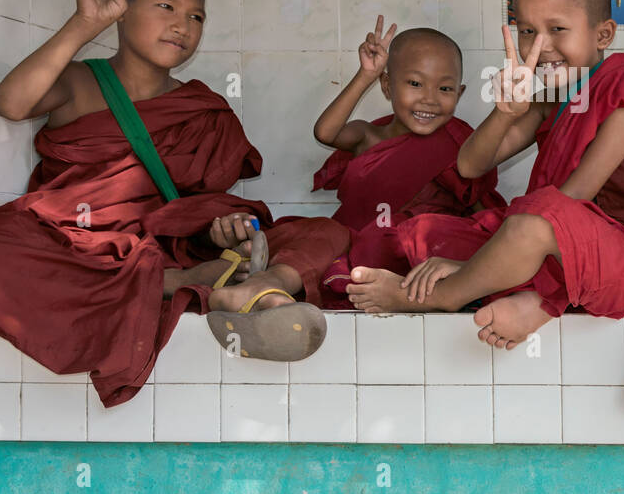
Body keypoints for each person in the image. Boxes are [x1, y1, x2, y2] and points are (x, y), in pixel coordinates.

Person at [0, 0, 314, 406]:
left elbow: (198, 202)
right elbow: (9, 104)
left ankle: (215, 277)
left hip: (164, 245)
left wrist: (225, 229)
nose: (183, 26)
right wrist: (83, 24)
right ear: (123, 8)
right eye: (167, 6)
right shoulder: (79, 83)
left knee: (321, 231)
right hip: (80, 248)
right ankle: (185, 283)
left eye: (196, 16)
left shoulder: (203, 107)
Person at [342, 0, 624, 351]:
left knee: (531, 221)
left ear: (603, 34)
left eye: (557, 29)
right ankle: (523, 293)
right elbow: (469, 166)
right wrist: (504, 112)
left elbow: (570, 202)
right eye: (528, 31)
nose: (542, 47)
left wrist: (470, 269)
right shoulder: (551, 100)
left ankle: (451, 295)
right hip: (578, 243)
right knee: (428, 231)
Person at [207, 18, 506, 354]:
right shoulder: (368, 135)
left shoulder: (463, 144)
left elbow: (483, 211)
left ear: (461, 93)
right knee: (323, 232)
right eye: (415, 83)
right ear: (387, 86)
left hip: (407, 260)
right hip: (348, 247)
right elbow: (326, 133)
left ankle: (257, 280)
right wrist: (364, 74)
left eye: (445, 88)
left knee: (436, 235)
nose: (430, 99)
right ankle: (260, 287)